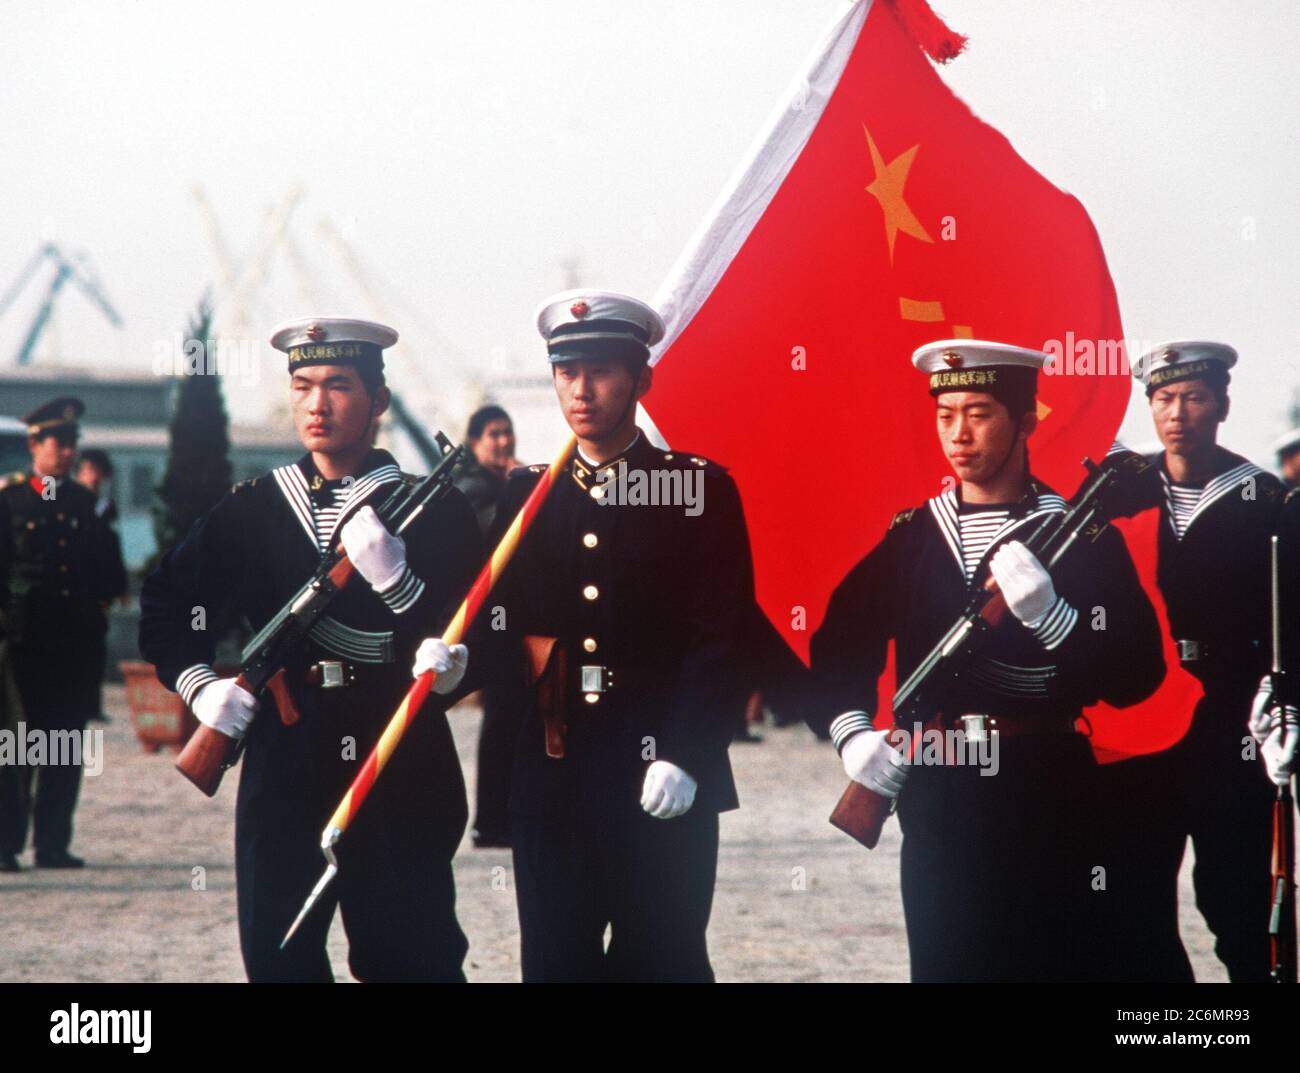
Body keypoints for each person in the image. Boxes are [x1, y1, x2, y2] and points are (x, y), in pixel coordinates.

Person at [808, 339, 1164, 982]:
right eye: (945, 415)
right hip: (943, 792)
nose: (958, 433)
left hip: (1048, 790)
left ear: (1026, 420)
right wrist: (851, 733)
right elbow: (834, 647)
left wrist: (1058, 621)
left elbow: (1139, 677)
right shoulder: (915, 536)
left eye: (980, 412)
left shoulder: (1083, 537)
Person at [139, 318, 483, 981]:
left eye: (338, 385)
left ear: (379, 401)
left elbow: (482, 627)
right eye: (301, 386)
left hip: (397, 751)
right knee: (280, 958)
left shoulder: (432, 508)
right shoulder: (254, 507)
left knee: (414, 957)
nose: (316, 405)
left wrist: (403, 589)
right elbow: (166, 604)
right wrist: (200, 685)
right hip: (287, 754)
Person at [434, 289, 756, 981]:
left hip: (661, 775)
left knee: (662, 962)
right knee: (555, 966)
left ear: (642, 379)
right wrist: (459, 660)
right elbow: (503, 619)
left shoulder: (698, 491)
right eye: (566, 373)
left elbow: (722, 641)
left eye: (602, 370)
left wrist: (687, 753)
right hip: (554, 781)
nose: (581, 391)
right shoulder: (529, 495)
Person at [1117, 340, 1294, 982]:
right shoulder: (1122, 491)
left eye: (1193, 398)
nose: (1177, 413)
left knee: (1237, 897)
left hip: (1229, 721)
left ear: (1221, 404)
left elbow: (1291, 618)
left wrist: (1287, 704)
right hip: (1140, 718)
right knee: (1135, 900)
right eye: (1163, 399)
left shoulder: (1265, 499)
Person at [0, 398, 124, 871]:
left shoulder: (86, 505)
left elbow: (109, 575)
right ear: (35, 445)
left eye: (74, 443)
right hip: (23, 646)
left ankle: (52, 844)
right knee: (15, 747)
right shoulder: (9, 502)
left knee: (65, 746)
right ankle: (6, 844)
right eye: (60, 443)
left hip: (73, 648)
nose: (69, 452)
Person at [454, 404, 528, 848]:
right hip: (488, 624)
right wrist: (520, 490)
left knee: (511, 717)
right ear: (475, 443)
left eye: (508, 432)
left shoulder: (497, 484)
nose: (503, 442)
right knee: (502, 718)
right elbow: (497, 541)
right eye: (494, 435)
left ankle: (500, 815)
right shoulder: (475, 489)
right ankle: (491, 820)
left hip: (506, 619)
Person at [74, 447, 129, 724]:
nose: (93, 477)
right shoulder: (71, 506)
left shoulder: (104, 508)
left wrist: (120, 586)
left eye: (97, 472)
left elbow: (112, 549)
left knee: (95, 650)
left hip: (98, 594)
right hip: (73, 592)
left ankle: (92, 704)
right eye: (88, 470)